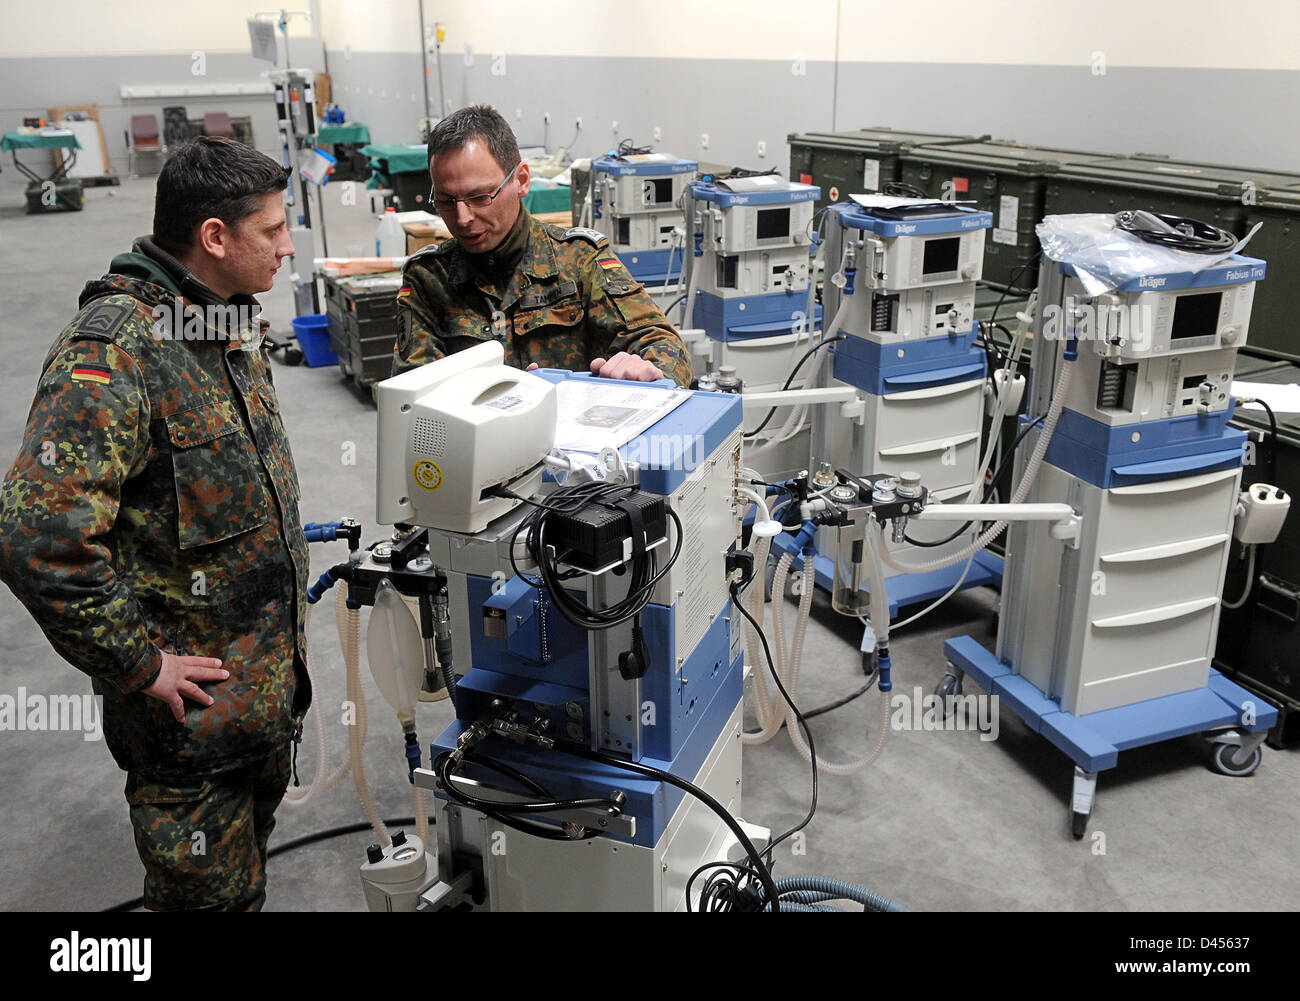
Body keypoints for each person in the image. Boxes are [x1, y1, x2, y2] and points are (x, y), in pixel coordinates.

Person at [0, 136, 310, 912]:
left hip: (261, 705)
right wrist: (139, 663)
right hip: (189, 738)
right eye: (272, 229)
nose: (287, 244)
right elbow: (38, 536)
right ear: (214, 237)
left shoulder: (220, 322)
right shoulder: (115, 347)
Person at [393, 104, 693, 386]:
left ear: (521, 180)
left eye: (480, 197)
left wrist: (651, 373)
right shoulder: (428, 278)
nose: (463, 218)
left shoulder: (578, 259)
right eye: (446, 201)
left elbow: (663, 344)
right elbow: (413, 391)